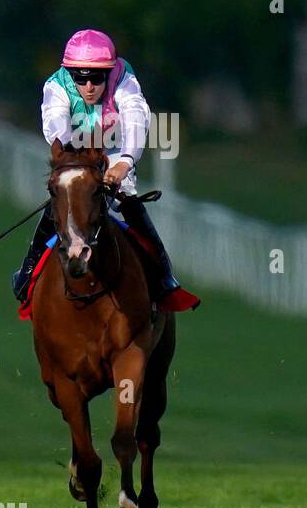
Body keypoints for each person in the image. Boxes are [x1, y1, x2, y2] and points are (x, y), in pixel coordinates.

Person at [13, 29, 187, 305]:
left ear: (110, 72)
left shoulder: (124, 78)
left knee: (127, 202)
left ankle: (163, 272)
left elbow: (135, 118)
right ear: (70, 74)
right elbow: (55, 125)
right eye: (81, 79)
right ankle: (28, 269)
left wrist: (126, 162)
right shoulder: (56, 85)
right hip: (75, 150)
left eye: (97, 77)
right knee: (63, 199)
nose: (90, 86)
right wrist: (77, 159)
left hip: (116, 149)